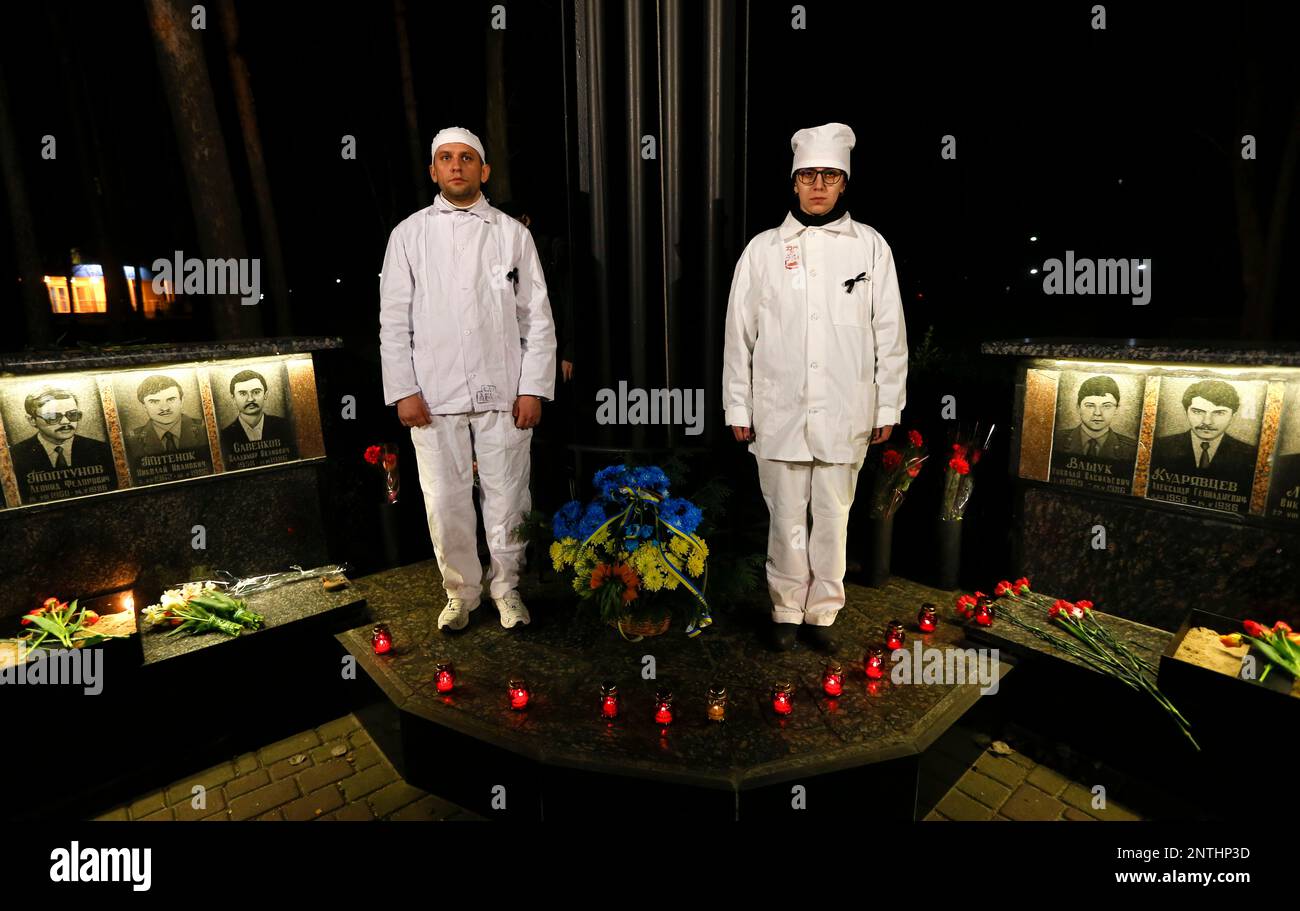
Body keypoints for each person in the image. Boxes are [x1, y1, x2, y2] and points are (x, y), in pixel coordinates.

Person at [722, 122, 908, 654]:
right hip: (778, 409)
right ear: (795, 181)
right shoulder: (763, 250)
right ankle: (785, 606)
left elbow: (889, 332)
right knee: (784, 517)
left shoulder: (870, 247)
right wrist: (738, 401)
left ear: (844, 182)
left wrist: (887, 402)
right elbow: (740, 333)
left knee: (832, 516)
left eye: (829, 175)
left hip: (847, 409)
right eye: (809, 175)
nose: (818, 185)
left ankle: (823, 610)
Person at [379, 126, 556, 632]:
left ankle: (508, 588)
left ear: (484, 170)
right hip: (432, 395)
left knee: (507, 497)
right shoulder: (408, 235)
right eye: (446, 158)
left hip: (503, 391)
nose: (456, 166)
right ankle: (461, 591)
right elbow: (394, 320)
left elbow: (536, 317)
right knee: (443, 500)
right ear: (433, 171)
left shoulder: (511, 234)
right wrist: (404, 390)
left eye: (467, 158)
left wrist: (532, 388)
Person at [9, 387, 117, 502]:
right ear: (32, 420)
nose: (66, 422)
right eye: (52, 417)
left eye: (72, 415)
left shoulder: (102, 450)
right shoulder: (14, 457)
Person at [1150, 379, 1258, 478]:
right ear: (1186, 412)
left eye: (1219, 413)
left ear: (1232, 416)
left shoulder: (1250, 455)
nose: (1207, 421)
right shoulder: (1158, 447)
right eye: (1197, 412)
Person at [124, 375, 211, 465]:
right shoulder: (131, 442)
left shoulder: (206, 429)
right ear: (144, 406)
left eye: (171, 399)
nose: (165, 408)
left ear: (181, 401)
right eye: (154, 402)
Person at [1054, 375, 1137, 460]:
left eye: (1106, 406)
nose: (1097, 413)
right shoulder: (1055, 440)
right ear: (1078, 407)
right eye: (1090, 406)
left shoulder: (1132, 450)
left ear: (1116, 409)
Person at [219, 369, 294, 450]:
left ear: (265, 394)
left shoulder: (285, 427)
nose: (250, 399)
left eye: (256, 392)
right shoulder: (224, 436)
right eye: (243, 393)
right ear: (233, 398)